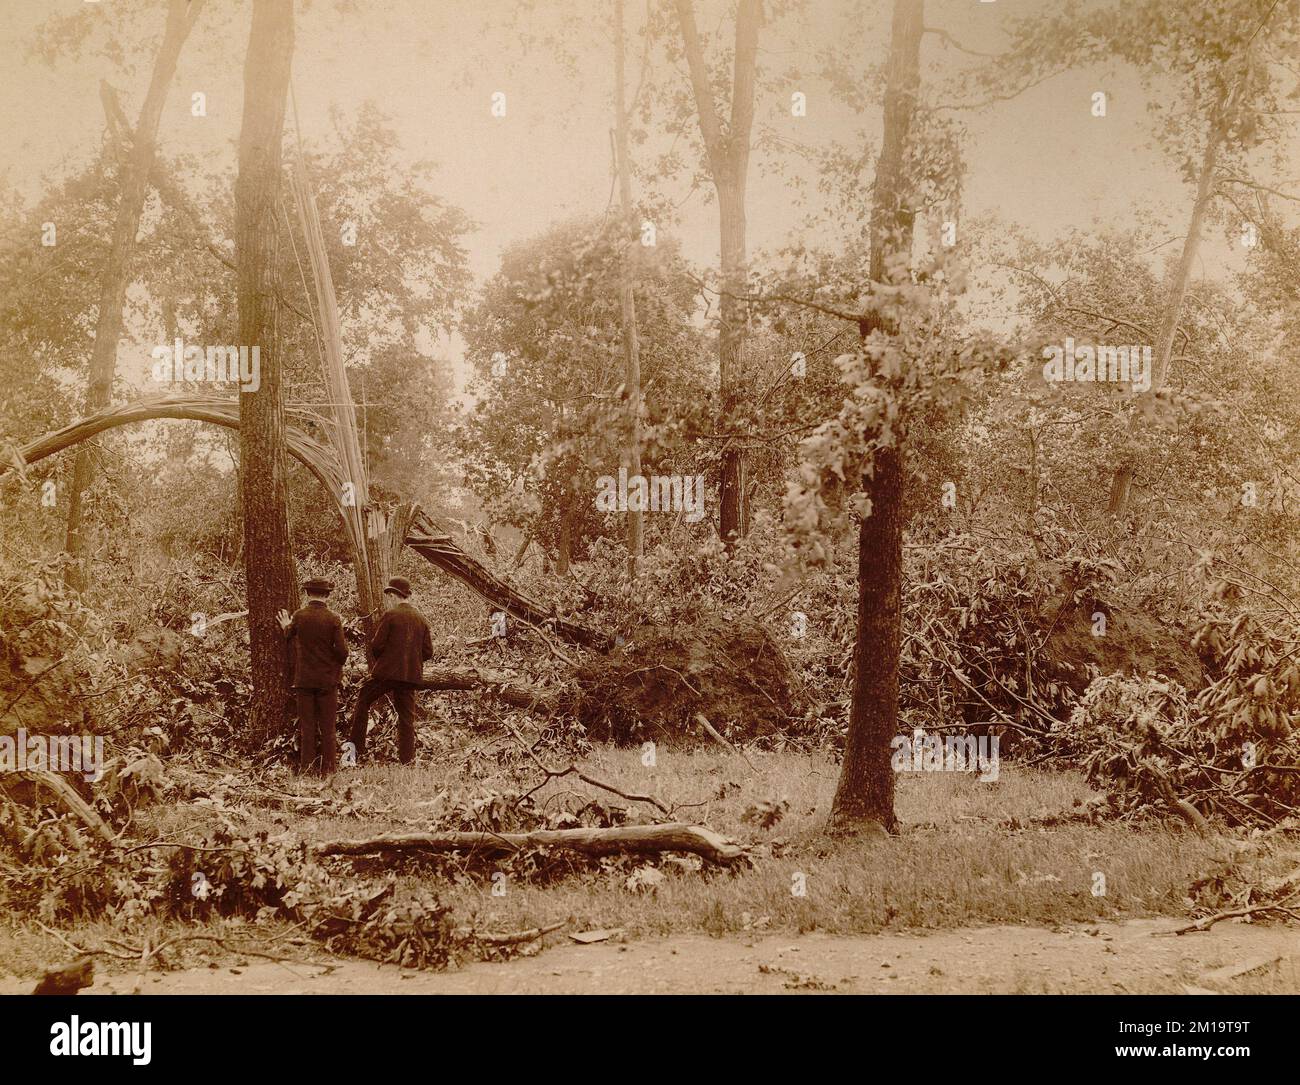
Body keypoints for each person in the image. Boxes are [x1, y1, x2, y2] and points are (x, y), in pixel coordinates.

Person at [348, 576, 432, 764]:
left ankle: (355, 751)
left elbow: (376, 646)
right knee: (406, 718)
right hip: (410, 676)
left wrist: (388, 660)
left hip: (387, 674)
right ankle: (407, 760)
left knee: (363, 699)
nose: (389, 599)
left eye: (390, 595)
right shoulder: (421, 618)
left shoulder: (391, 615)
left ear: (395, 595)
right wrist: (410, 662)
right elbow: (428, 652)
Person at [277, 577, 349, 775]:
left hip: (304, 679)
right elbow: (343, 651)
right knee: (328, 728)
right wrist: (333, 666)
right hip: (327, 680)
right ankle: (329, 770)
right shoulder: (334, 618)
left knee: (307, 727)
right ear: (327, 595)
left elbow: (288, 634)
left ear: (307, 594)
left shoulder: (299, 616)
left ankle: (307, 769)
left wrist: (285, 625)